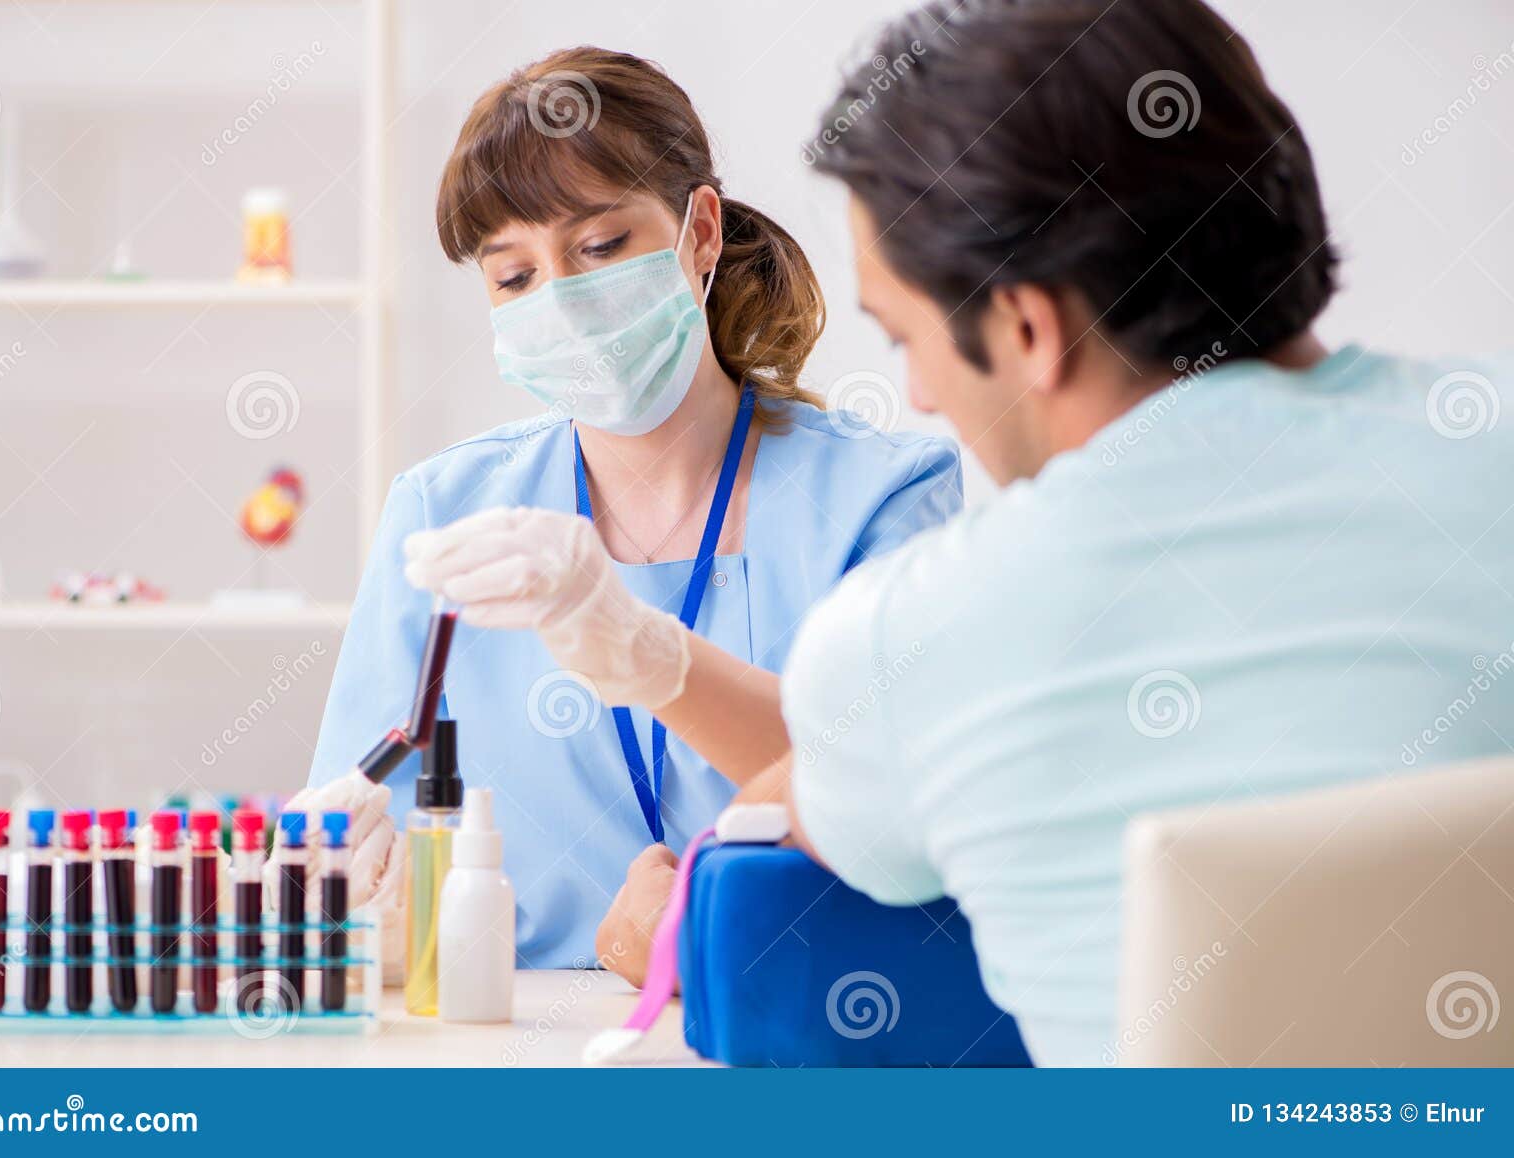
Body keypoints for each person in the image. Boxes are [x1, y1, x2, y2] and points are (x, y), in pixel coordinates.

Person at [598, 0, 1514, 1064]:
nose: (924, 400)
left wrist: (660, 923)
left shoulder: (923, 633)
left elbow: (747, 864)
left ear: (1028, 329)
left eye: (906, 338)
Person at [287, 46, 961, 972]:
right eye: (513, 276)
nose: (562, 300)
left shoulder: (882, 499)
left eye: (602, 248)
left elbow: (918, 814)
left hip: (794, 1038)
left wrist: (681, 932)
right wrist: (349, 896)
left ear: (703, 233)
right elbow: (368, 857)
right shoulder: (443, 516)